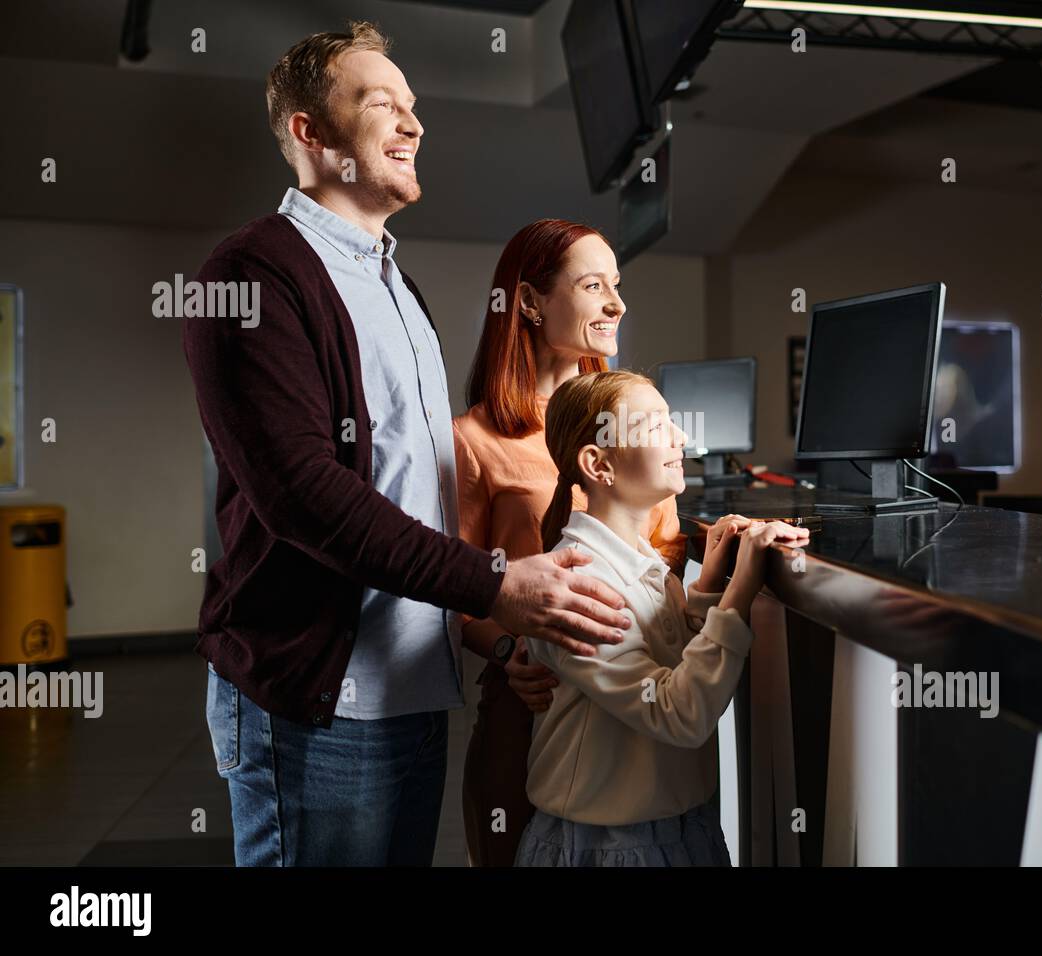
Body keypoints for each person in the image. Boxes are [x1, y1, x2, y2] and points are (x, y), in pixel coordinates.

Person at [182, 21, 632, 867]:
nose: (414, 124)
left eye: (414, 107)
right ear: (310, 134)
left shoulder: (396, 285)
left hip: (413, 696)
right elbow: (302, 492)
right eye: (382, 103)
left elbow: (407, 493)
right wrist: (495, 583)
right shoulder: (250, 274)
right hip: (318, 705)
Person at [454, 218, 685, 867]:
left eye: (617, 284)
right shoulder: (473, 441)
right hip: (529, 706)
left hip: (639, 714)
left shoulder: (634, 420)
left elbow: (665, 549)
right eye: (593, 285)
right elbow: (452, 586)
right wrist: (507, 649)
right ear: (527, 302)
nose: (617, 303)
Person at [515, 369, 808, 866]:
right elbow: (677, 713)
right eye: (655, 427)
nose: (682, 437)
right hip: (606, 846)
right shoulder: (583, 583)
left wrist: (711, 585)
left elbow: (668, 663)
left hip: (679, 829)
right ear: (599, 464)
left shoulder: (641, 559)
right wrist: (741, 589)